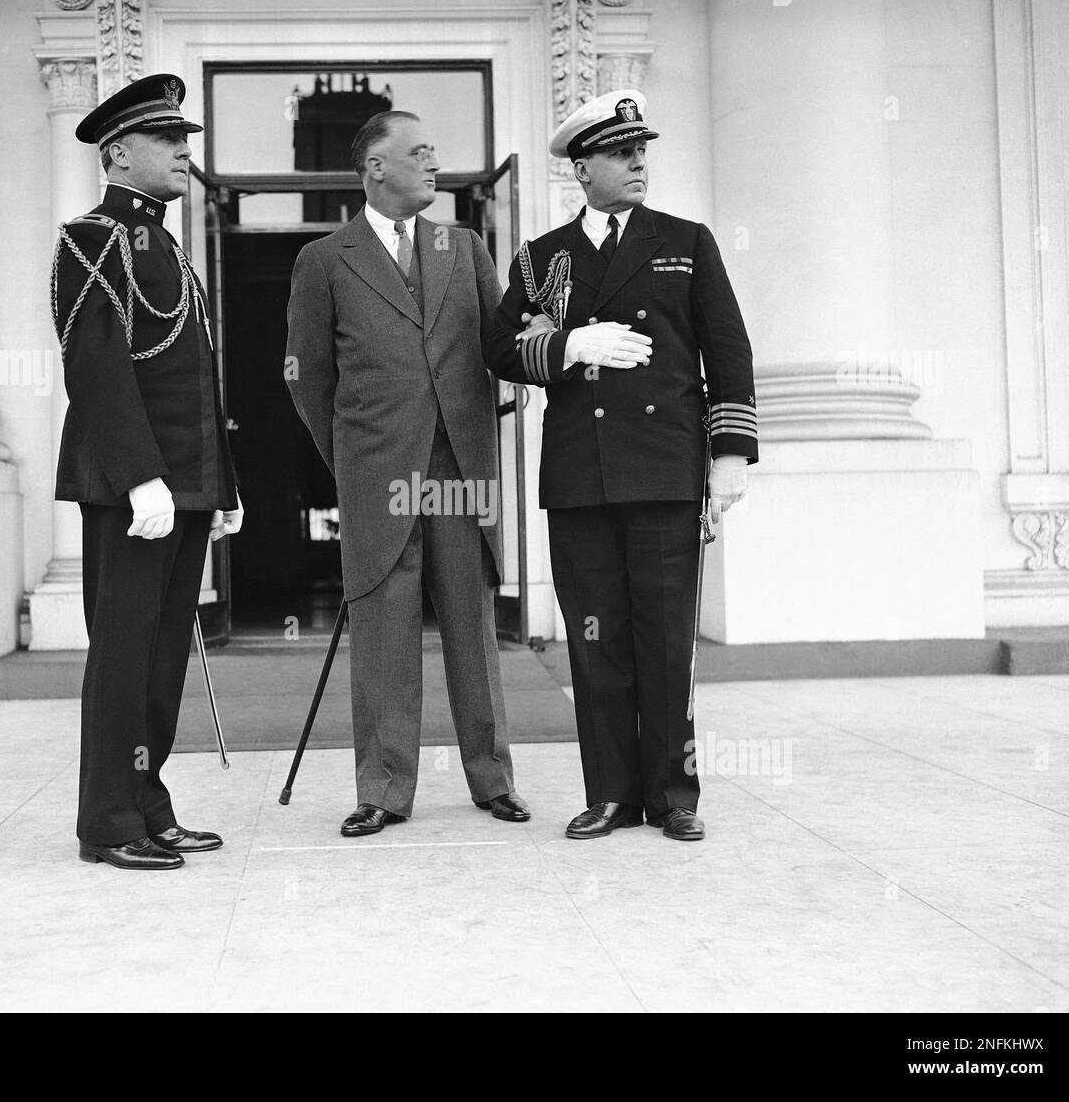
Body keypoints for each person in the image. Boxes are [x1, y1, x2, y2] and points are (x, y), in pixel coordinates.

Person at [484, 90, 757, 842]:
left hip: (666, 469)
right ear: (583, 167)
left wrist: (729, 454)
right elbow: (500, 350)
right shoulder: (543, 257)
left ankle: (673, 794)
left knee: (666, 640)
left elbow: (728, 351)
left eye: (642, 148)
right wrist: (568, 346)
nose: (639, 161)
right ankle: (610, 793)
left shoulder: (686, 240)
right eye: (619, 151)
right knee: (595, 640)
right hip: (581, 476)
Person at [285, 110, 529, 837]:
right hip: (377, 476)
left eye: (435, 151)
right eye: (418, 153)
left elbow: (500, 350)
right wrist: (356, 461)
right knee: (384, 631)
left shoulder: (468, 247)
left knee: (471, 626)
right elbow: (307, 380)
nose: (434, 164)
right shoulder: (325, 260)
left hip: (461, 470)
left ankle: (492, 778)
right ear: (375, 168)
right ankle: (384, 788)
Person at [52, 73, 241, 870]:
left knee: (163, 655)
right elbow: (95, 369)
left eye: (184, 138)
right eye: (168, 139)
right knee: (125, 653)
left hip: (185, 485)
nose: (183, 151)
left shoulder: (164, 245)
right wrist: (140, 478)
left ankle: (148, 800)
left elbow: (196, 379)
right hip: (136, 491)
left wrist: (220, 486)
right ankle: (107, 822)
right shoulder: (89, 238)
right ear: (118, 152)